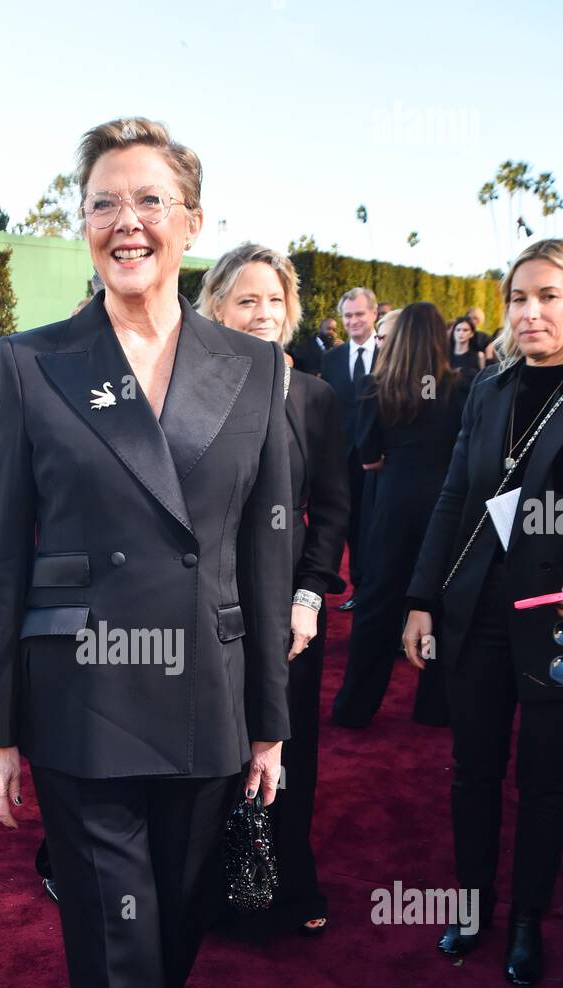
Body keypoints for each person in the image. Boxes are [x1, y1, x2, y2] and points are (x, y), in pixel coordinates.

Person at [0, 117, 293, 988]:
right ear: (83, 222)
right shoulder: (31, 361)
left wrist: (270, 720)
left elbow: (265, 557)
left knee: (170, 932)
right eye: (105, 200)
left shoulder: (255, 367)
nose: (127, 221)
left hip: (208, 699)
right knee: (118, 943)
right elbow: (3, 551)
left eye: (150, 200)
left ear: (190, 224)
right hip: (80, 701)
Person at [404, 239, 563, 986]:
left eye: (548, 297)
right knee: (470, 774)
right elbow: (452, 499)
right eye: (519, 299)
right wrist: (419, 599)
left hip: (555, 625)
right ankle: (472, 907)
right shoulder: (488, 390)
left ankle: (528, 919)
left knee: (543, 781)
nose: (530, 313)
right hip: (474, 617)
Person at [197, 243, 348, 935]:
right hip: (206, 606)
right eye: (245, 299)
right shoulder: (188, 388)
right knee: (213, 751)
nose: (262, 313)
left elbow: (334, 508)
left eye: (273, 300)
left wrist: (309, 596)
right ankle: (211, 890)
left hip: (288, 609)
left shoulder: (313, 396)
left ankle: (283, 887)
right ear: (215, 307)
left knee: (286, 751)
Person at [332, 303, 470, 728]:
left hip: (392, 503)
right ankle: (434, 707)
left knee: (377, 604)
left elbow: (368, 458)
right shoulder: (461, 386)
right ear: (437, 336)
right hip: (445, 504)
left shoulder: (378, 385)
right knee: (439, 602)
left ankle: (355, 707)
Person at [321, 287, 379, 608]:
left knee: (378, 525)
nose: (354, 321)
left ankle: (379, 586)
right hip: (342, 458)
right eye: (348, 316)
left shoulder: (390, 354)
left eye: (359, 314)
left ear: (373, 314)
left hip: (382, 460)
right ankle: (360, 588)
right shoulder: (331, 359)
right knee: (352, 524)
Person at [449, 315, 486, 382]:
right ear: (454, 332)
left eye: (465, 330)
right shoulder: (444, 355)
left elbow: (482, 381)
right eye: (458, 330)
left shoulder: (479, 356)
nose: (461, 333)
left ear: (471, 334)